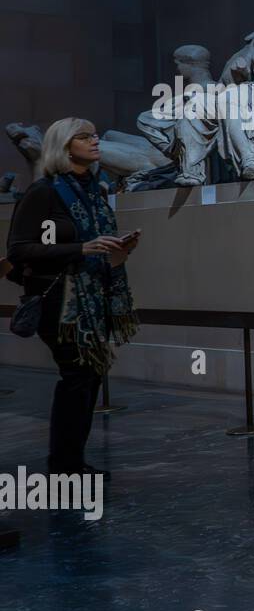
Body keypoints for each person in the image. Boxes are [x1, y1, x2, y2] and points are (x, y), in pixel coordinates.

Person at [5, 118, 141, 477]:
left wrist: (117, 250)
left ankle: (70, 463)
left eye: (95, 135)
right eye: (85, 136)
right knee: (78, 377)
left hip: (91, 296)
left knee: (86, 379)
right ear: (64, 146)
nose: (95, 141)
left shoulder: (94, 189)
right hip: (59, 300)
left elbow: (96, 245)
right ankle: (64, 466)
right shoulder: (44, 191)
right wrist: (82, 247)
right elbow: (19, 250)